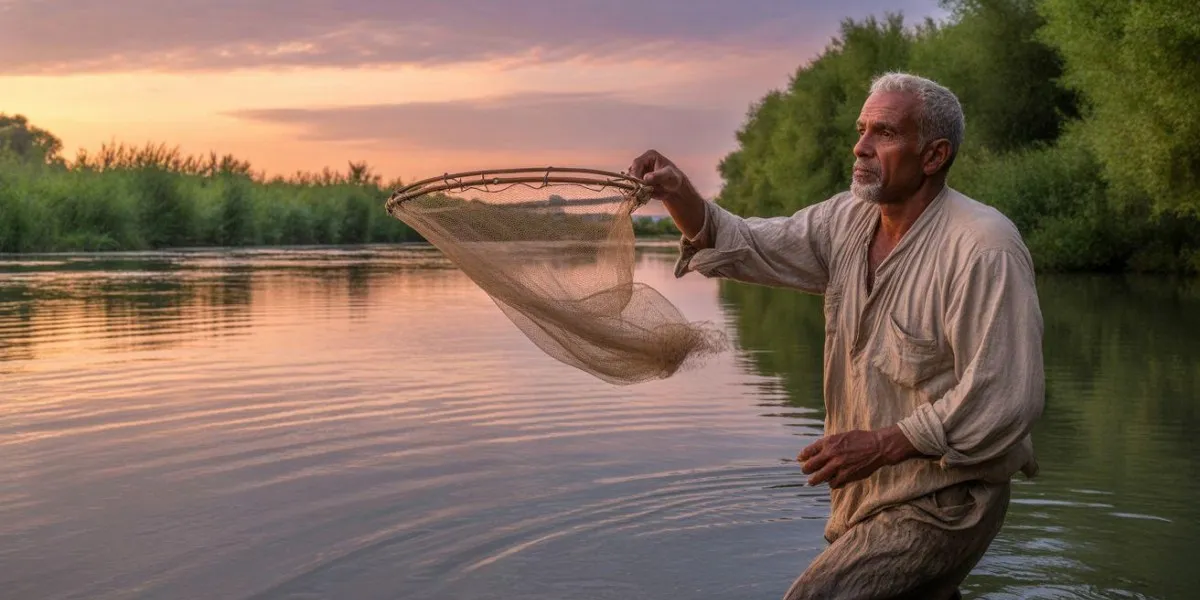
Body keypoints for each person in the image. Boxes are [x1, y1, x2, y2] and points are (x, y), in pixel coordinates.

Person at [628, 72, 1045, 599]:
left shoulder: (983, 247)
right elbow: (746, 243)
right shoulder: (846, 220)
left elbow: (1005, 399)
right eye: (862, 128)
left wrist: (883, 444)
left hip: (947, 501)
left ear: (935, 155)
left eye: (884, 133)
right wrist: (679, 191)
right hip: (864, 496)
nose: (861, 146)